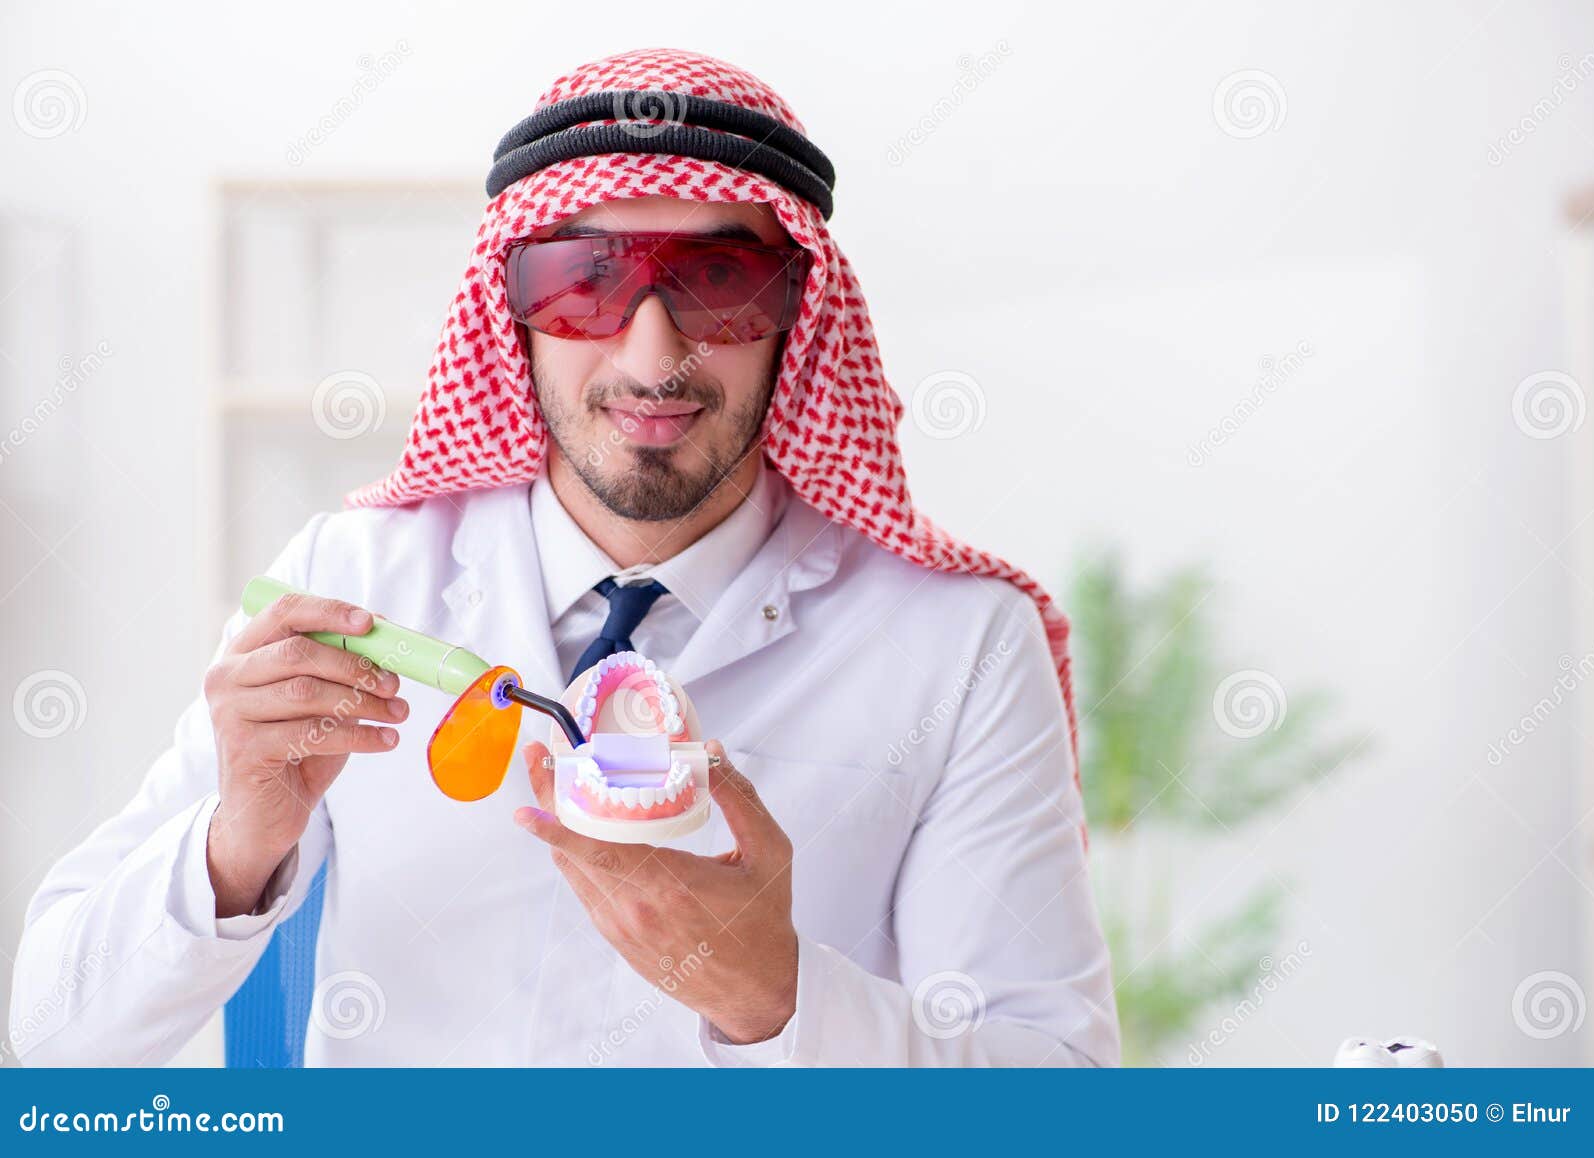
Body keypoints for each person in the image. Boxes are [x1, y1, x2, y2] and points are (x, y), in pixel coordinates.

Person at [10, 47, 1118, 1067]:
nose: (652, 355)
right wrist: (235, 842)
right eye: (586, 280)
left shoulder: (957, 645)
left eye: (719, 281)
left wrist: (778, 1003)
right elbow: (54, 1039)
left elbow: (1053, 1089)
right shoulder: (354, 582)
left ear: (798, 310)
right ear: (513, 307)